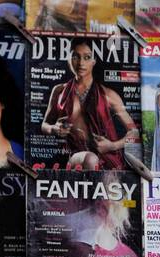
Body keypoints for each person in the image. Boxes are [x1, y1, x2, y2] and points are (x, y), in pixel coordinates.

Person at [42, 36, 138, 170]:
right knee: (90, 159)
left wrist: (112, 145)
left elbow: (134, 132)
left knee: (93, 160)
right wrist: (54, 129)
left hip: (108, 159)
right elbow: (44, 125)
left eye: (87, 57)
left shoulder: (109, 95)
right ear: (69, 59)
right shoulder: (59, 91)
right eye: (76, 56)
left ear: (94, 61)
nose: (81, 63)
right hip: (76, 156)